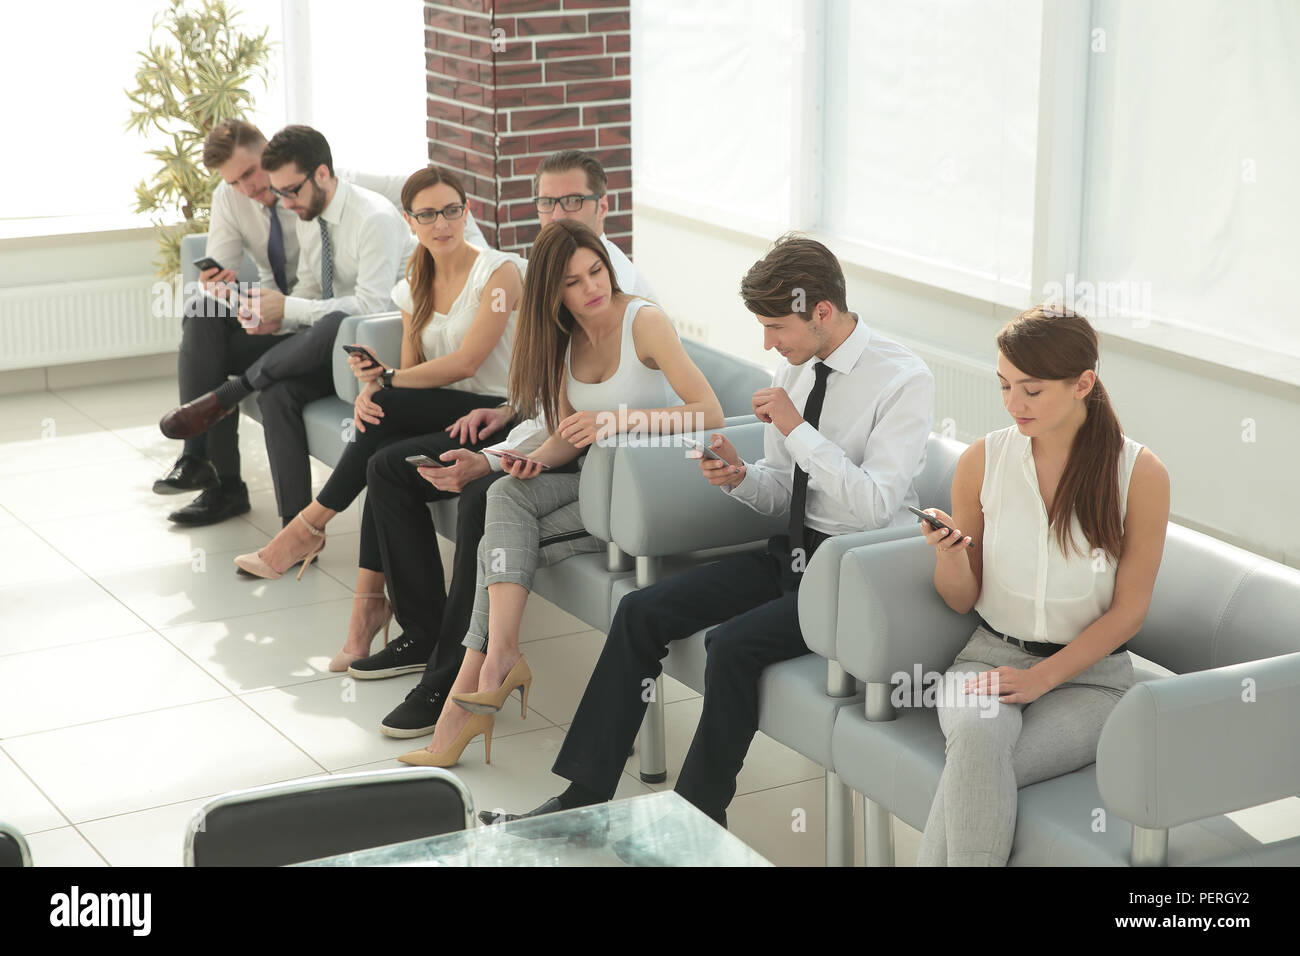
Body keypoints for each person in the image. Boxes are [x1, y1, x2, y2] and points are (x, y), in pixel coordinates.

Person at [485, 233, 935, 825]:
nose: (767, 343)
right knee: (641, 611)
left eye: (776, 327)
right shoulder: (797, 367)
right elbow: (782, 488)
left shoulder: (903, 379)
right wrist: (738, 477)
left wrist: (798, 429)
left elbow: (876, 506)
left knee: (733, 645)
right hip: (794, 555)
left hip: (856, 575)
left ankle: (696, 820)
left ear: (821, 311)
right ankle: (581, 798)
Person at [351, 150, 660, 741]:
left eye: (572, 201)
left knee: (481, 497)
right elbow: (555, 393)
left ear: (603, 206)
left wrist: (496, 456)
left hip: (600, 460)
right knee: (390, 467)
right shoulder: (550, 271)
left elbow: (585, 416)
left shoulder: (609, 290)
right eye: (547, 201)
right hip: (538, 426)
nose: (556, 212)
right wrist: (507, 414)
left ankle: (451, 675)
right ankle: (421, 633)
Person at [395, 218, 724, 767]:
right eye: (573, 281)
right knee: (503, 497)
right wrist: (509, 460)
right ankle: (498, 659)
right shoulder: (559, 338)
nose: (591, 287)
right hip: (593, 478)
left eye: (596, 271)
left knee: (494, 548)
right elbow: (563, 439)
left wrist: (615, 420)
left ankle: (460, 710)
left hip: (648, 493)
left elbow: (708, 414)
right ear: (553, 291)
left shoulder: (643, 320)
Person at [230, 166, 525, 669]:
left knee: (385, 402)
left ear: (467, 210)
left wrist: (383, 382)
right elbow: (415, 371)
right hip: (446, 415)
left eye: (452, 210)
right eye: (427, 214)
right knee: (384, 462)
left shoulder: (499, 273)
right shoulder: (416, 281)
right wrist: (379, 381)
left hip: (499, 417)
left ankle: (310, 526)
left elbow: (466, 364)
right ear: (410, 221)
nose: (442, 224)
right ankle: (409, 628)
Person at [912, 305, 1168, 866]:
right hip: (985, 659)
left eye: (1031, 390)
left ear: (1084, 383)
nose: (1012, 404)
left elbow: (1129, 613)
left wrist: (1041, 679)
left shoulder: (1140, 475)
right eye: (1004, 386)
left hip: (1094, 683)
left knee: (975, 770)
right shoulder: (982, 459)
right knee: (978, 744)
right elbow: (960, 597)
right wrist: (950, 556)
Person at [157, 124, 411, 530]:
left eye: (253, 174)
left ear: (322, 175)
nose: (268, 193)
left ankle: (229, 394)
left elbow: (370, 308)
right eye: (235, 181)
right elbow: (308, 288)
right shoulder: (309, 213)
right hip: (308, 335)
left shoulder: (368, 214)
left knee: (333, 322)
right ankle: (293, 529)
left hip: (368, 344)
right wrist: (273, 313)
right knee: (217, 327)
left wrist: (291, 307)